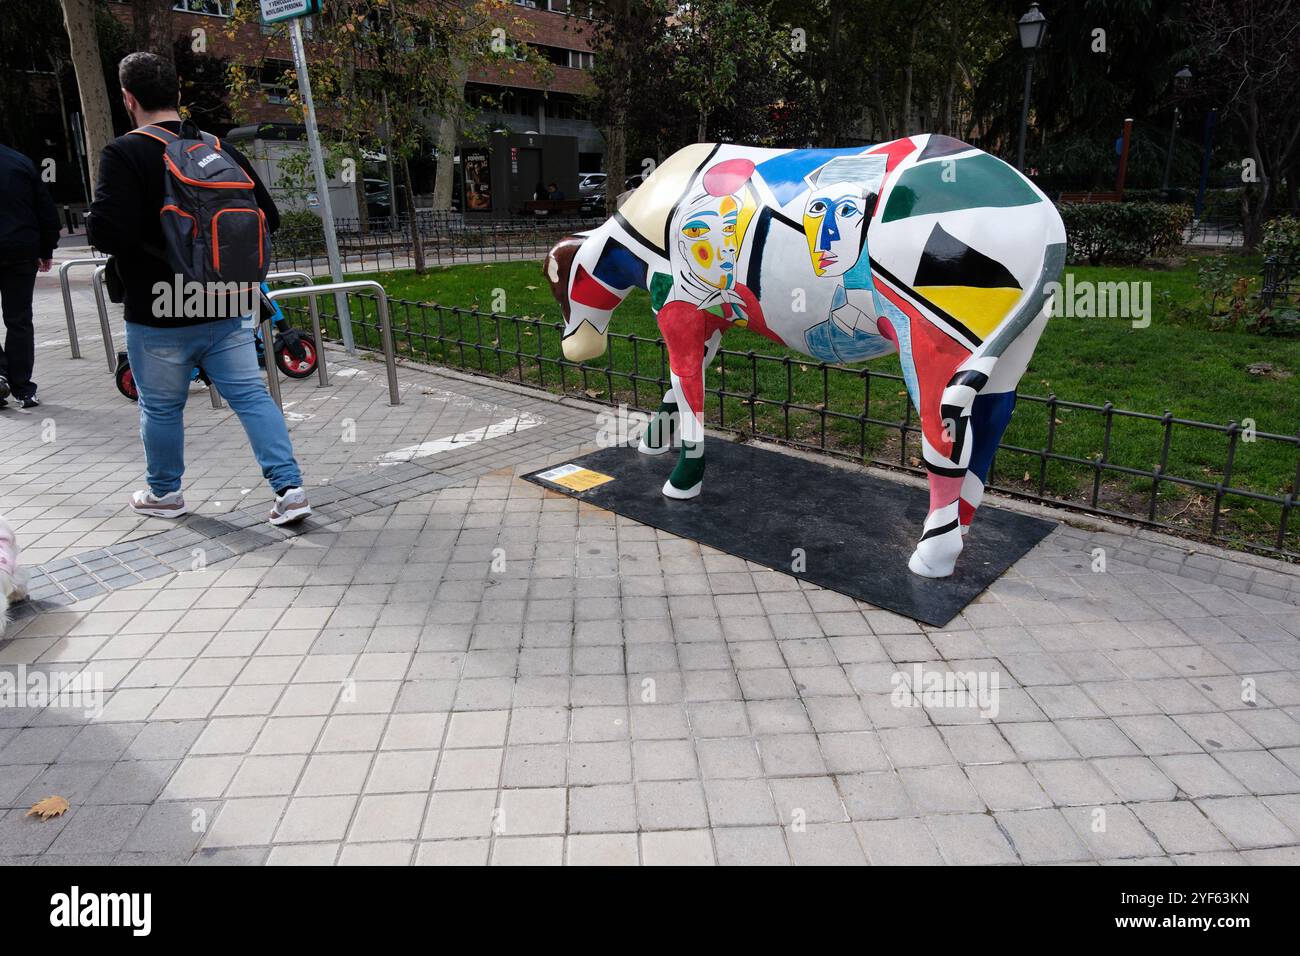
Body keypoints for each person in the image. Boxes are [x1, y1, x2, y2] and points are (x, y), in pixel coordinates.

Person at [87, 52, 311, 526]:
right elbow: (268, 217)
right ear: (179, 95)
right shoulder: (217, 147)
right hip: (226, 301)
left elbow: (108, 234)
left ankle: (165, 495)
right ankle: (290, 491)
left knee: (162, 408)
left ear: (128, 99)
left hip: (157, 310)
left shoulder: (124, 152)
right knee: (251, 396)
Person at [0, 140, 59, 410]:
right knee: (19, 319)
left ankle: (0, 375)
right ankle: (23, 386)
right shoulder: (21, 162)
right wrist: (46, 248)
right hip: (19, 251)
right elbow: (45, 209)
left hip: (17, 249)